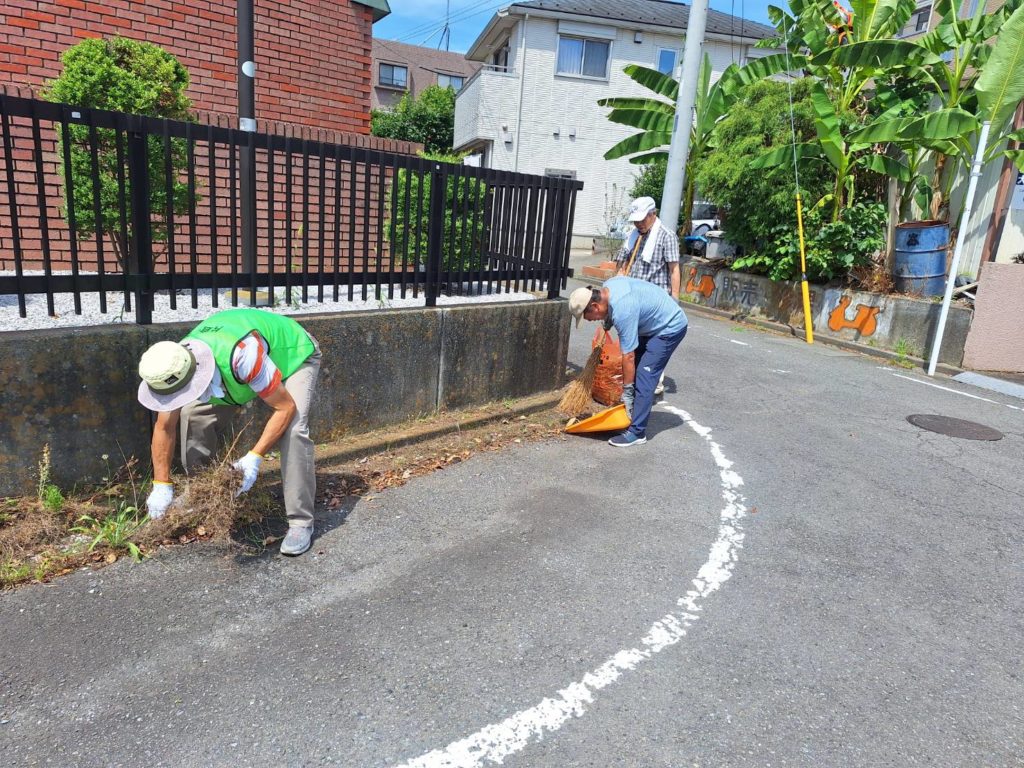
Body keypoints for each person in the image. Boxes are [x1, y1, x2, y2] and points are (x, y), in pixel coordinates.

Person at [136, 308, 322, 556]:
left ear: (196, 377)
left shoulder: (243, 356)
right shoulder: (170, 364)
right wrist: (161, 484)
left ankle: (300, 522)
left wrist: (254, 458)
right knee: (193, 415)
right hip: (236, 374)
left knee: (293, 431)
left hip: (291, 356)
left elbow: (284, 407)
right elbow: (163, 427)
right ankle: (204, 493)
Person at [569, 277, 687, 447]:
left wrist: (628, 391)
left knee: (645, 375)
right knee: (636, 371)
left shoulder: (622, 310)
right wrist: (608, 317)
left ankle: (637, 432)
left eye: (587, 316)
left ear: (595, 306)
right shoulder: (608, 287)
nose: (589, 320)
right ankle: (633, 415)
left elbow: (628, 356)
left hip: (669, 326)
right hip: (649, 323)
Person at [614, 195, 680, 395]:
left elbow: (674, 268)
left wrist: (675, 298)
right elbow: (621, 261)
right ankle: (635, 381)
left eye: (642, 219)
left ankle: (653, 383)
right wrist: (618, 280)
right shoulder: (632, 235)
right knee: (635, 341)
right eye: (636, 220)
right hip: (633, 298)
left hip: (656, 300)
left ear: (653, 214)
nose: (638, 223)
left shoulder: (666, 236)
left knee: (654, 342)